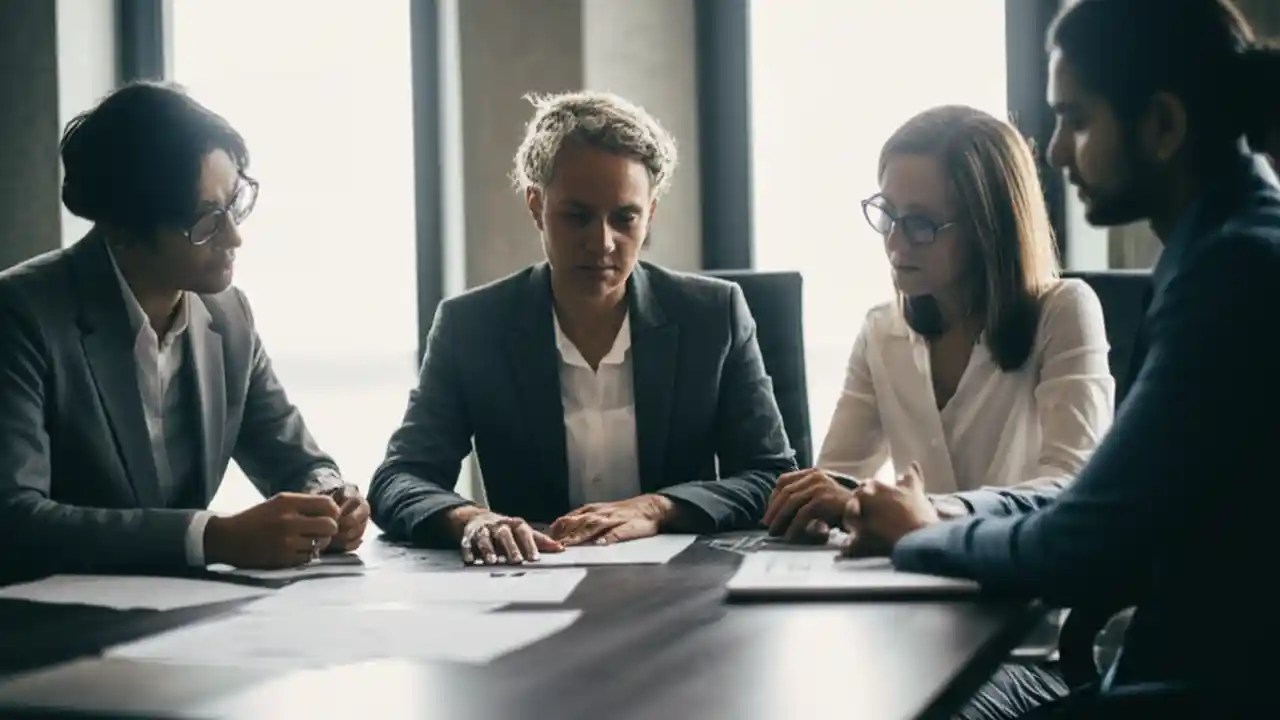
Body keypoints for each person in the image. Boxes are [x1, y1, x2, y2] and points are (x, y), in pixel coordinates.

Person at [839, 0, 1280, 716]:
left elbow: (1087, 542)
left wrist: (922, 533)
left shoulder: (1232, 275)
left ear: (1163, 125)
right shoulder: (1225, 248)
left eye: (1076, 120)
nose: (1055, 151)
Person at [369, 91, 796, 565]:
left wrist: (658, 507)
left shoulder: (713, 315)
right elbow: (399, 479)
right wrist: (472, 519)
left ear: (650, 213)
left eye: (625, 218)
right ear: (536, 206)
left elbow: (771, 478)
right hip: (531, 584)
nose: (603, 242)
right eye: (577, 217)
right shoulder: (471, 327)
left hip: (682, 589)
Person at [0, 82, 370, 577]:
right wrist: (213, 536)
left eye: (235, 204)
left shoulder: (229, 315)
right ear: (124, 231)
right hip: (49, 628)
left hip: (187, 621)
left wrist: (329, 495)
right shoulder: (22, 313)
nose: (235, 237)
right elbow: (15, 518)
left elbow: (293, 457)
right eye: (206, 222)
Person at [763, 105, 1114, 544]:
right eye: (887, 213)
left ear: (988, 228)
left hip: (1024, 584)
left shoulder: (1063, 312)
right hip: (919, 582)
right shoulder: (881, 330)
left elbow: (1071, 485)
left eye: (920, 224)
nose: (894, 241)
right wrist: (813, 505)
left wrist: (925, 512)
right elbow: (841, 476)